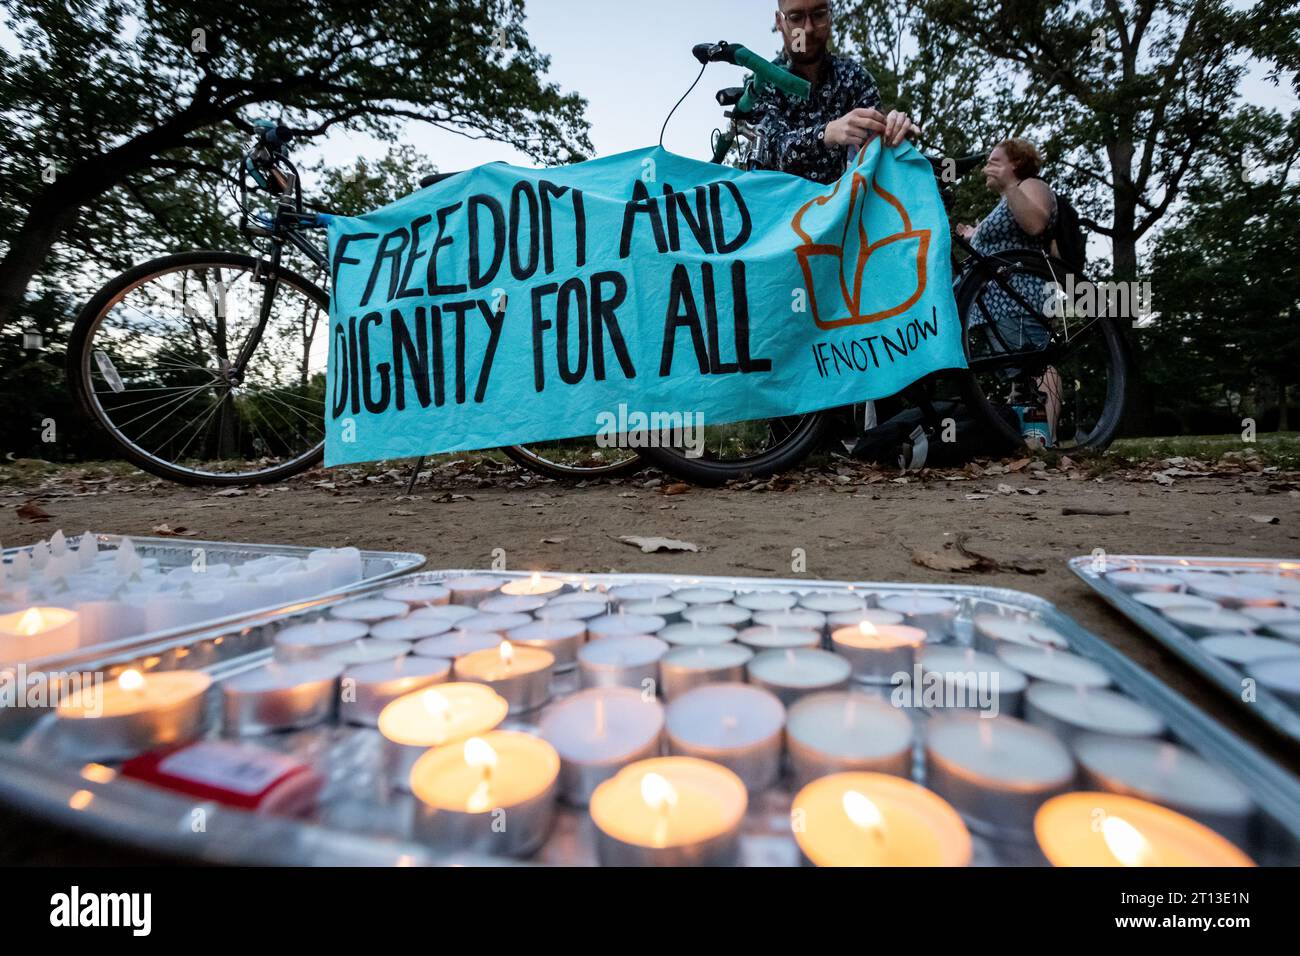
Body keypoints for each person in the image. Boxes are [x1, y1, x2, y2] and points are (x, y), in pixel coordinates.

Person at [957, 138, 1063, 445]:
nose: (986, 167)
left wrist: (1009, 187)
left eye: (995, 161)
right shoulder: (1005, 201)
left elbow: (1035, 224)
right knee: (1018, 372)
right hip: (998, 303)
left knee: (1034, 364)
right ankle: (1031, 437)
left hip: (1021, 296)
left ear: (1015, 164)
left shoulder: (1032, 186)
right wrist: (973, 234)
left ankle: (1047, 438)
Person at [752, 0, 921, 184]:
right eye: (796, 17)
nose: (808, 29)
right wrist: (827, 133)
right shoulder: (762, 83)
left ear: (830, 14)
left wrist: (892, 129)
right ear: (779, 21)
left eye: (818, 15)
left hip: (852, 207)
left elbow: (874, 148)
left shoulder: (854, 76)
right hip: (785, 209)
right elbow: (772, 150)